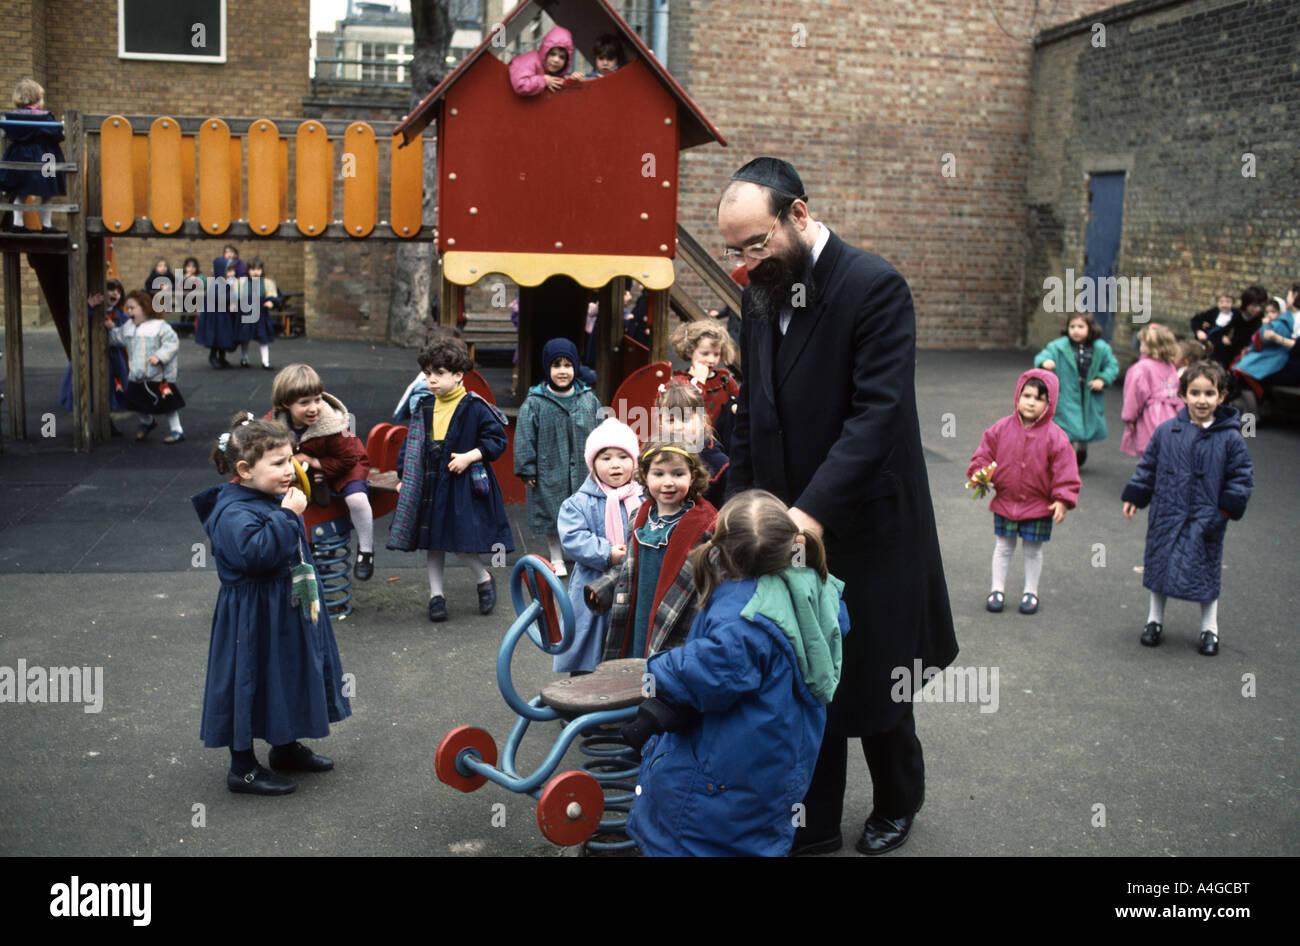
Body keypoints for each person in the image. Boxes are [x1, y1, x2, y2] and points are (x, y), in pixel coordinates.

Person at [717, 157, 957, 857]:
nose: (744, 262)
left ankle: (897, 801)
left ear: (798, 213)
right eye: (735, 250)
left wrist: (810, 515)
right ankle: (812, 821)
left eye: (755, 244)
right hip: (787, 522)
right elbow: (751, 411)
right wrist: (741, 511)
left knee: (875, 679)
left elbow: (876, 418)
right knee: (799, 672)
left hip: (869, 523)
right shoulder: (761, 291)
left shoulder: (874, 287)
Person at [619, 489, 849, 856]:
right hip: (775, 766)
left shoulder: (744, 619)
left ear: (722, 550)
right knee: (758, 838)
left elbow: (704, 672)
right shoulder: (816, 589)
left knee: (693, 841)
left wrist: (656, 668)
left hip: (718, 780)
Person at [192, 412, 352, 795]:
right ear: (245, 470)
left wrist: (284, 512)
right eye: (278, 463)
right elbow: (256, 556)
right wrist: (285, 516)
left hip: (283, 607)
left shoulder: (268, 497)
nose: (290, 469)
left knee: (284, 675)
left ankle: (284, 747)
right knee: (248, 679)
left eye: (291, 459)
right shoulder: (233, 511)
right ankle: (242, 768)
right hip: (252, 616)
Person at [1122, 361, 1253, 656]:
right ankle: (1154, 620)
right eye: (1195, 392)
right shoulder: (1167, 431)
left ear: (1221, 397)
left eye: (1209, 393)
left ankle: (1210, 628)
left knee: (1205, 571)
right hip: (1167, 512)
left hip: (1208, 517)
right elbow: (1148, 466)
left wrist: (1226, 511)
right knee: (1160, 565)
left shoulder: (1231, 437)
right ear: (1183, 395)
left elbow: (1241, 478)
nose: (1202, 400)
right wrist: (1136, 494)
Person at [387, 336, 513, 622]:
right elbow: (412, 445)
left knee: (459, 540)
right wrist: (405, 477)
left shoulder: (475, 407)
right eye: (428, 374)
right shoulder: (424, 407)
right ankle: (436, 596)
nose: (432, 380)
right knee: (433, 540)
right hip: (432, 483)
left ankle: (483, 578)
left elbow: (497, 440)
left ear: (458, 375)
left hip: (462, 486)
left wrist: (470, 456)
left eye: (439, 374)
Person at [587, 441, 717, 661]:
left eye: (678, 474)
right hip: (639, 612)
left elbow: (713, 580)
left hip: (678, 617)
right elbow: (630, 566)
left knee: (665, 670)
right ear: (645, 476)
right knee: (636, 663)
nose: (668, 483)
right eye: (658, 474)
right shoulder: (639, 517)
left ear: (692, 476)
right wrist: (604, 588)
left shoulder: (705, 526)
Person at [967, 369, 1081, 616]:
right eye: (1026, 395)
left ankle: (1031, 591)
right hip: (1006, 501)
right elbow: (983, 455)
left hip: (1039, 505)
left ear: (1049, 404)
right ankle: (996, 590)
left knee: (1033, 550)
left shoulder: (1057, 438)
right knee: (1003, 547)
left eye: (1039, 398)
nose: (1031, 402)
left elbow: (1066, 472)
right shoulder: (1000, 429)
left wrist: (1063, 499)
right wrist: (979, 474)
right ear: (1017, 396)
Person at [270, 364, 375, 581]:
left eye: (318, 399)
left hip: (348, 463)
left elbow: (348, 459)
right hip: (310, 472)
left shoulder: (331, 426)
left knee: (356, 499)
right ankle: (314, 550)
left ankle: (366, 551)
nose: (314, 408)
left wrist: (312, 460)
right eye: (304, 402)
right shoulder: (277, 423)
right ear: (285, 404)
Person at [554, 418, 643, 674]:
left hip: (632, 582)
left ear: (634, 463)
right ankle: (581, 692)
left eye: (623, 457)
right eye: (605, 458)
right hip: (592, 584)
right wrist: (607, 553)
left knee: (626, 637)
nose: (615, 464)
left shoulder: (643, 498)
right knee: (588, 639)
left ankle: (621, 693)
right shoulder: (579, 503)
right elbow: (573, 539)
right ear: (592, 464)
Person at [515, 338, 601, 577]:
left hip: (584, 471)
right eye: (556, 365)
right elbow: (524, 436)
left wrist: (602, 460)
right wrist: (527, 468)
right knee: (552, 513)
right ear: (547, 369)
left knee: (584, 510)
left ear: (575, 367)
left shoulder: (588, 399)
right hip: (549, 469)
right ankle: (556, 556)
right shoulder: (534, 403)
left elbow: (600, 430)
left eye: (567, 365)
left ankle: (580, 552)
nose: (562, 371)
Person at [1034, 312, 1119, 468]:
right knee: (1066, 427)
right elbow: (1043, 355)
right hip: (1066, 393)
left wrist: (1102, 379)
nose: (1076, 330)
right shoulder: (1058, 346)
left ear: (1090, 328)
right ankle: (1065, 456)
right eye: (1072, 326)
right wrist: (1045, 362)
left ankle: (1081, 447)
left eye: (1081, 326)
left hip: (1089, 394)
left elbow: (1112, 366)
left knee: (1084, 426)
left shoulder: (1100, 348)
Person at [107, 289, 186, 443]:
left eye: (132, 308)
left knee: (168, 404)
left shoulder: (159, 326)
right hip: (137, 374)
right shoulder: (129, 326)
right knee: (134, 402)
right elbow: (118, 338)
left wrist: (159, 356)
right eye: (127, 308)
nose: (129, 311)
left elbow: (172, 342)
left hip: (159, 375)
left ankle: (177, 430)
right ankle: (147, 422)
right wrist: (111, 329)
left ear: (145, 308)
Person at [0, 78, 64, 232]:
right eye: (41, 98)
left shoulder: (11, 117)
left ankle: (18, 223)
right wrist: (62, 126)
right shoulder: (44, 117)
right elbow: (57, 135)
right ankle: (47, 225)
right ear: (36, 99)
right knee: (47, 192)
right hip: (45, 157)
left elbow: (9, 133)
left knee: (20, 191)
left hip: (18, 157)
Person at [60, 278, 128, 418]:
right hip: (89, 355)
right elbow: (74, 320)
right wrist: (89, 306)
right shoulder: (93, 310)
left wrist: (114, 327)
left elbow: (127, 334)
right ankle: (87, 420)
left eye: (118, 291)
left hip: (113, 358)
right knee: (88, 386)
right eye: (111, 289)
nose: (115, 293)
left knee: (110, 387)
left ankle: (107, 419)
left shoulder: (120, 315)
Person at [655, 380, 729, 509]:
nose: (678, 427)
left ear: (702, 419)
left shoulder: (718, 464)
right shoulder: (656, 458)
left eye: (685, 418)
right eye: (671, 420)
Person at [670, 318, 741, 451]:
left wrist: (736, 407)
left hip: (723, 444)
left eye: (716, 354)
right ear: (690, 351)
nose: (711, 360)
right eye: (705, 353)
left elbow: (739, 403)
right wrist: (699, 381)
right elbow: (685, 407)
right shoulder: (681, 381)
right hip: (691, 445)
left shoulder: (724, 380)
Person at [1120, 323, 1182, 457]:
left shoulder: (1141, 368)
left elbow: (1134, 396)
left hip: (1151, 416)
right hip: (1172, 415)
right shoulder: (1170, 366)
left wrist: (1129, 418)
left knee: (1151, 454)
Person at [1230, 296, 1295, 418]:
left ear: (1280, 312)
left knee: (1243, 377)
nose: (1269, 315)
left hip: (1273, 358)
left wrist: (1264, 325)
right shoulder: (1274, 323)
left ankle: (1252, 415)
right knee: (1242, 377)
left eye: (1273, 312)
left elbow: (1265, 339)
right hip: (1265, 357)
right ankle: (1249, 414)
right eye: (1267, 312)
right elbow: (1257, 342)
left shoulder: (1280, 324)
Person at [234, 257, 279, 370]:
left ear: (262, 270)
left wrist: (271, 302)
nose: (255, 272)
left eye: (258, 269)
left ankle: (266, 362)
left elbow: (273, 296)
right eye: (253, 269)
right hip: (246, 313)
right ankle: (244, 358)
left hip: (261, 314)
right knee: (245, 338)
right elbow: (234, 295)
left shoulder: (267, 283)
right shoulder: (241, 282)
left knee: (263, 339)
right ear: (248, 270)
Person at [508, 26, 580, 96]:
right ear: (545, 52)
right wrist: (543, 80)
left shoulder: (553, 73)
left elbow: (557, 92)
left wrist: (570, 82)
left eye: (562, 57)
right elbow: (520, 85)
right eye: (552, 54)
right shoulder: (527, 61)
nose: (556, 60)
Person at [190, 255, 233, 368]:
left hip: (223, 315)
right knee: (217, 338)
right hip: (215, 316)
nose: (231, 273)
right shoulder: (216, 283)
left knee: (223, 337)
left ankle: (222, 357)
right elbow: (217, 297)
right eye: (228, 271)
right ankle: (213, 356)